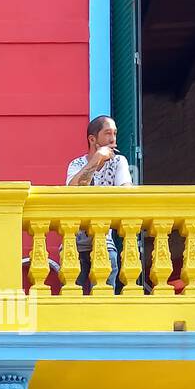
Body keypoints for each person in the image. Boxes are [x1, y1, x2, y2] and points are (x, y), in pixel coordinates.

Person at [65, 116, 133, 292]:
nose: (113, 139)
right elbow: (72, 191)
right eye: (108, 133)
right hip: (75, 241)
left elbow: (126, 193)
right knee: (72, 297)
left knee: (105, 296)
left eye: (115, 133)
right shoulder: (76, 164)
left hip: (104, 239)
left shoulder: (119, 162)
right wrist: (97, 159)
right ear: (92, 139)